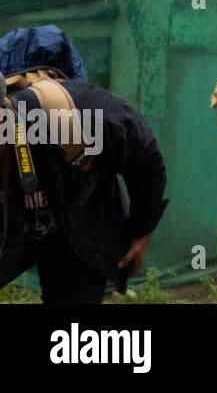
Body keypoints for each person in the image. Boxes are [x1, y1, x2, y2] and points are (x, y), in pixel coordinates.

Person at [1, 60, 167, 303]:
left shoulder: (75, 116)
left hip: (77, 227)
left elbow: (144, 158)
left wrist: (142, 231)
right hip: (9, 228)